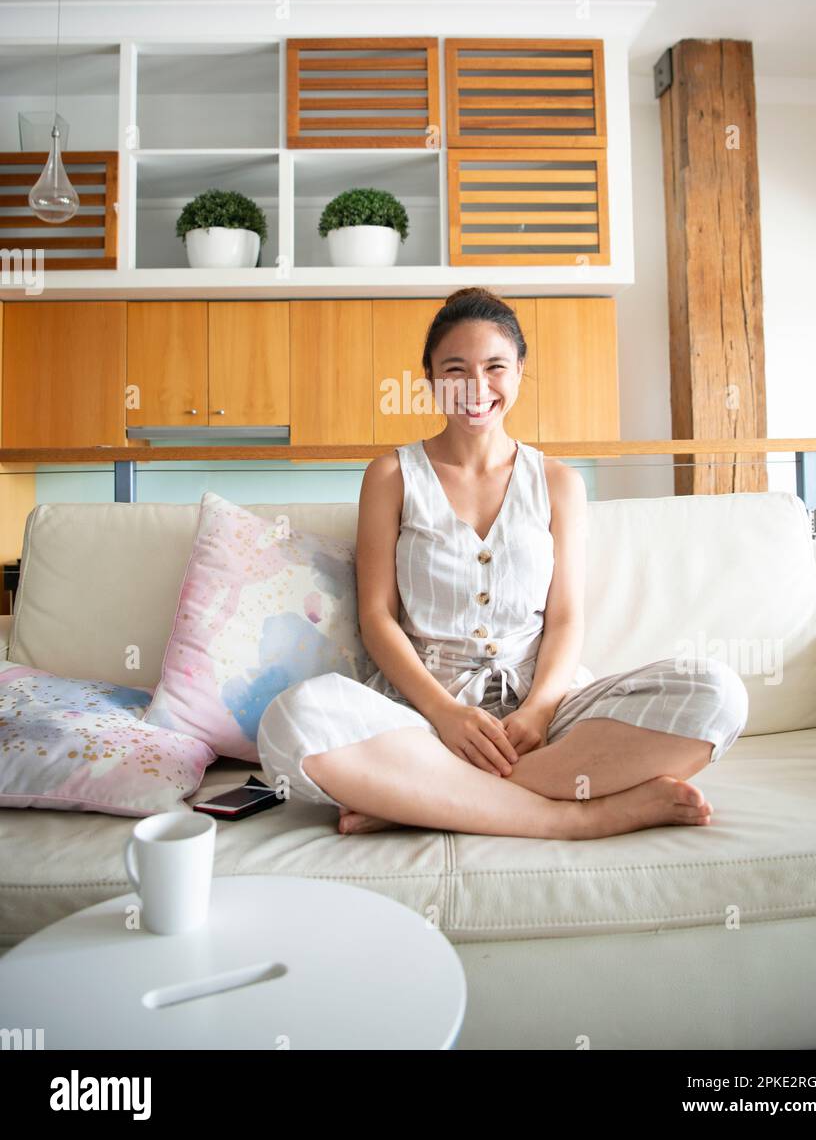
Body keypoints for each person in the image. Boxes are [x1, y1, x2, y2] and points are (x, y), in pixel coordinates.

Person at [258, 288, 749, 839]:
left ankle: (422, 798)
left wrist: (538, 712)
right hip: (421, 715)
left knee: (716, 693)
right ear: (430, 379)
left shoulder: (560, 483)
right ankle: (570, 815)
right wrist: (445, 714)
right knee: (292, 721)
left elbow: (565, 620)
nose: (476, 386)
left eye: (494, 366)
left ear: (519, 371)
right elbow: (377, 617)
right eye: (455, 368)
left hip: (546, 716)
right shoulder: (392, 476)